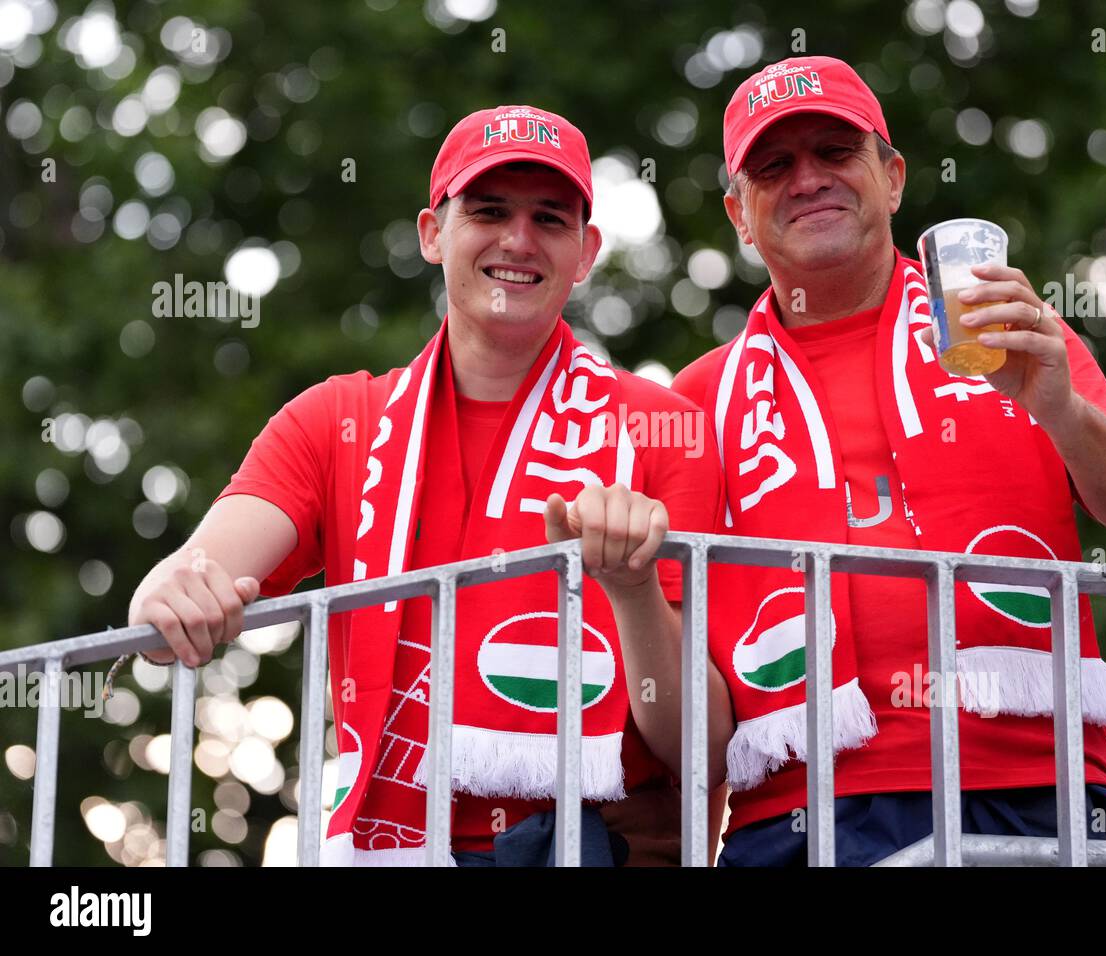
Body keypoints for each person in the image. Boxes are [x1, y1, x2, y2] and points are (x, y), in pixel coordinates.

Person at [128, 104, 733, 866]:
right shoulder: (334, 420)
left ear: (585, 253)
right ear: (431, 233)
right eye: (488, 211)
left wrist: (633, 590)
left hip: (596, 846)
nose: (518, 240)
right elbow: (192, 576)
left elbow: (704, 745)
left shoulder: (664, 426)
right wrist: (163, 596)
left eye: (549, 218)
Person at [670, 56, 1106, 866]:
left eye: (835, 151)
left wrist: (1059, 409)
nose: (808, 180)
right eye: (773, 166)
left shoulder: (1006, 325)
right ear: (739, 214)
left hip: (1040, 789)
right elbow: (684, 668)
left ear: (893, 178)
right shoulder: (696, 398)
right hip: (798, 814)